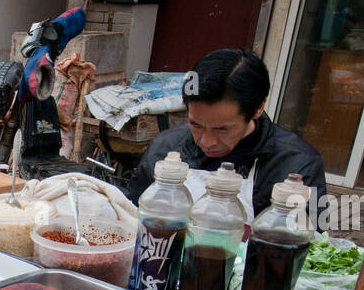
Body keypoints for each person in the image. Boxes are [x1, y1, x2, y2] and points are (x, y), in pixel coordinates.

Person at [124, 48, 327, 217]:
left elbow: (309, 249)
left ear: (258, 107)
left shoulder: (297, 165)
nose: (207, 141)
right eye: (196, 125)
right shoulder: (166, 147)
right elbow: (130, 217)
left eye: (222, 129)